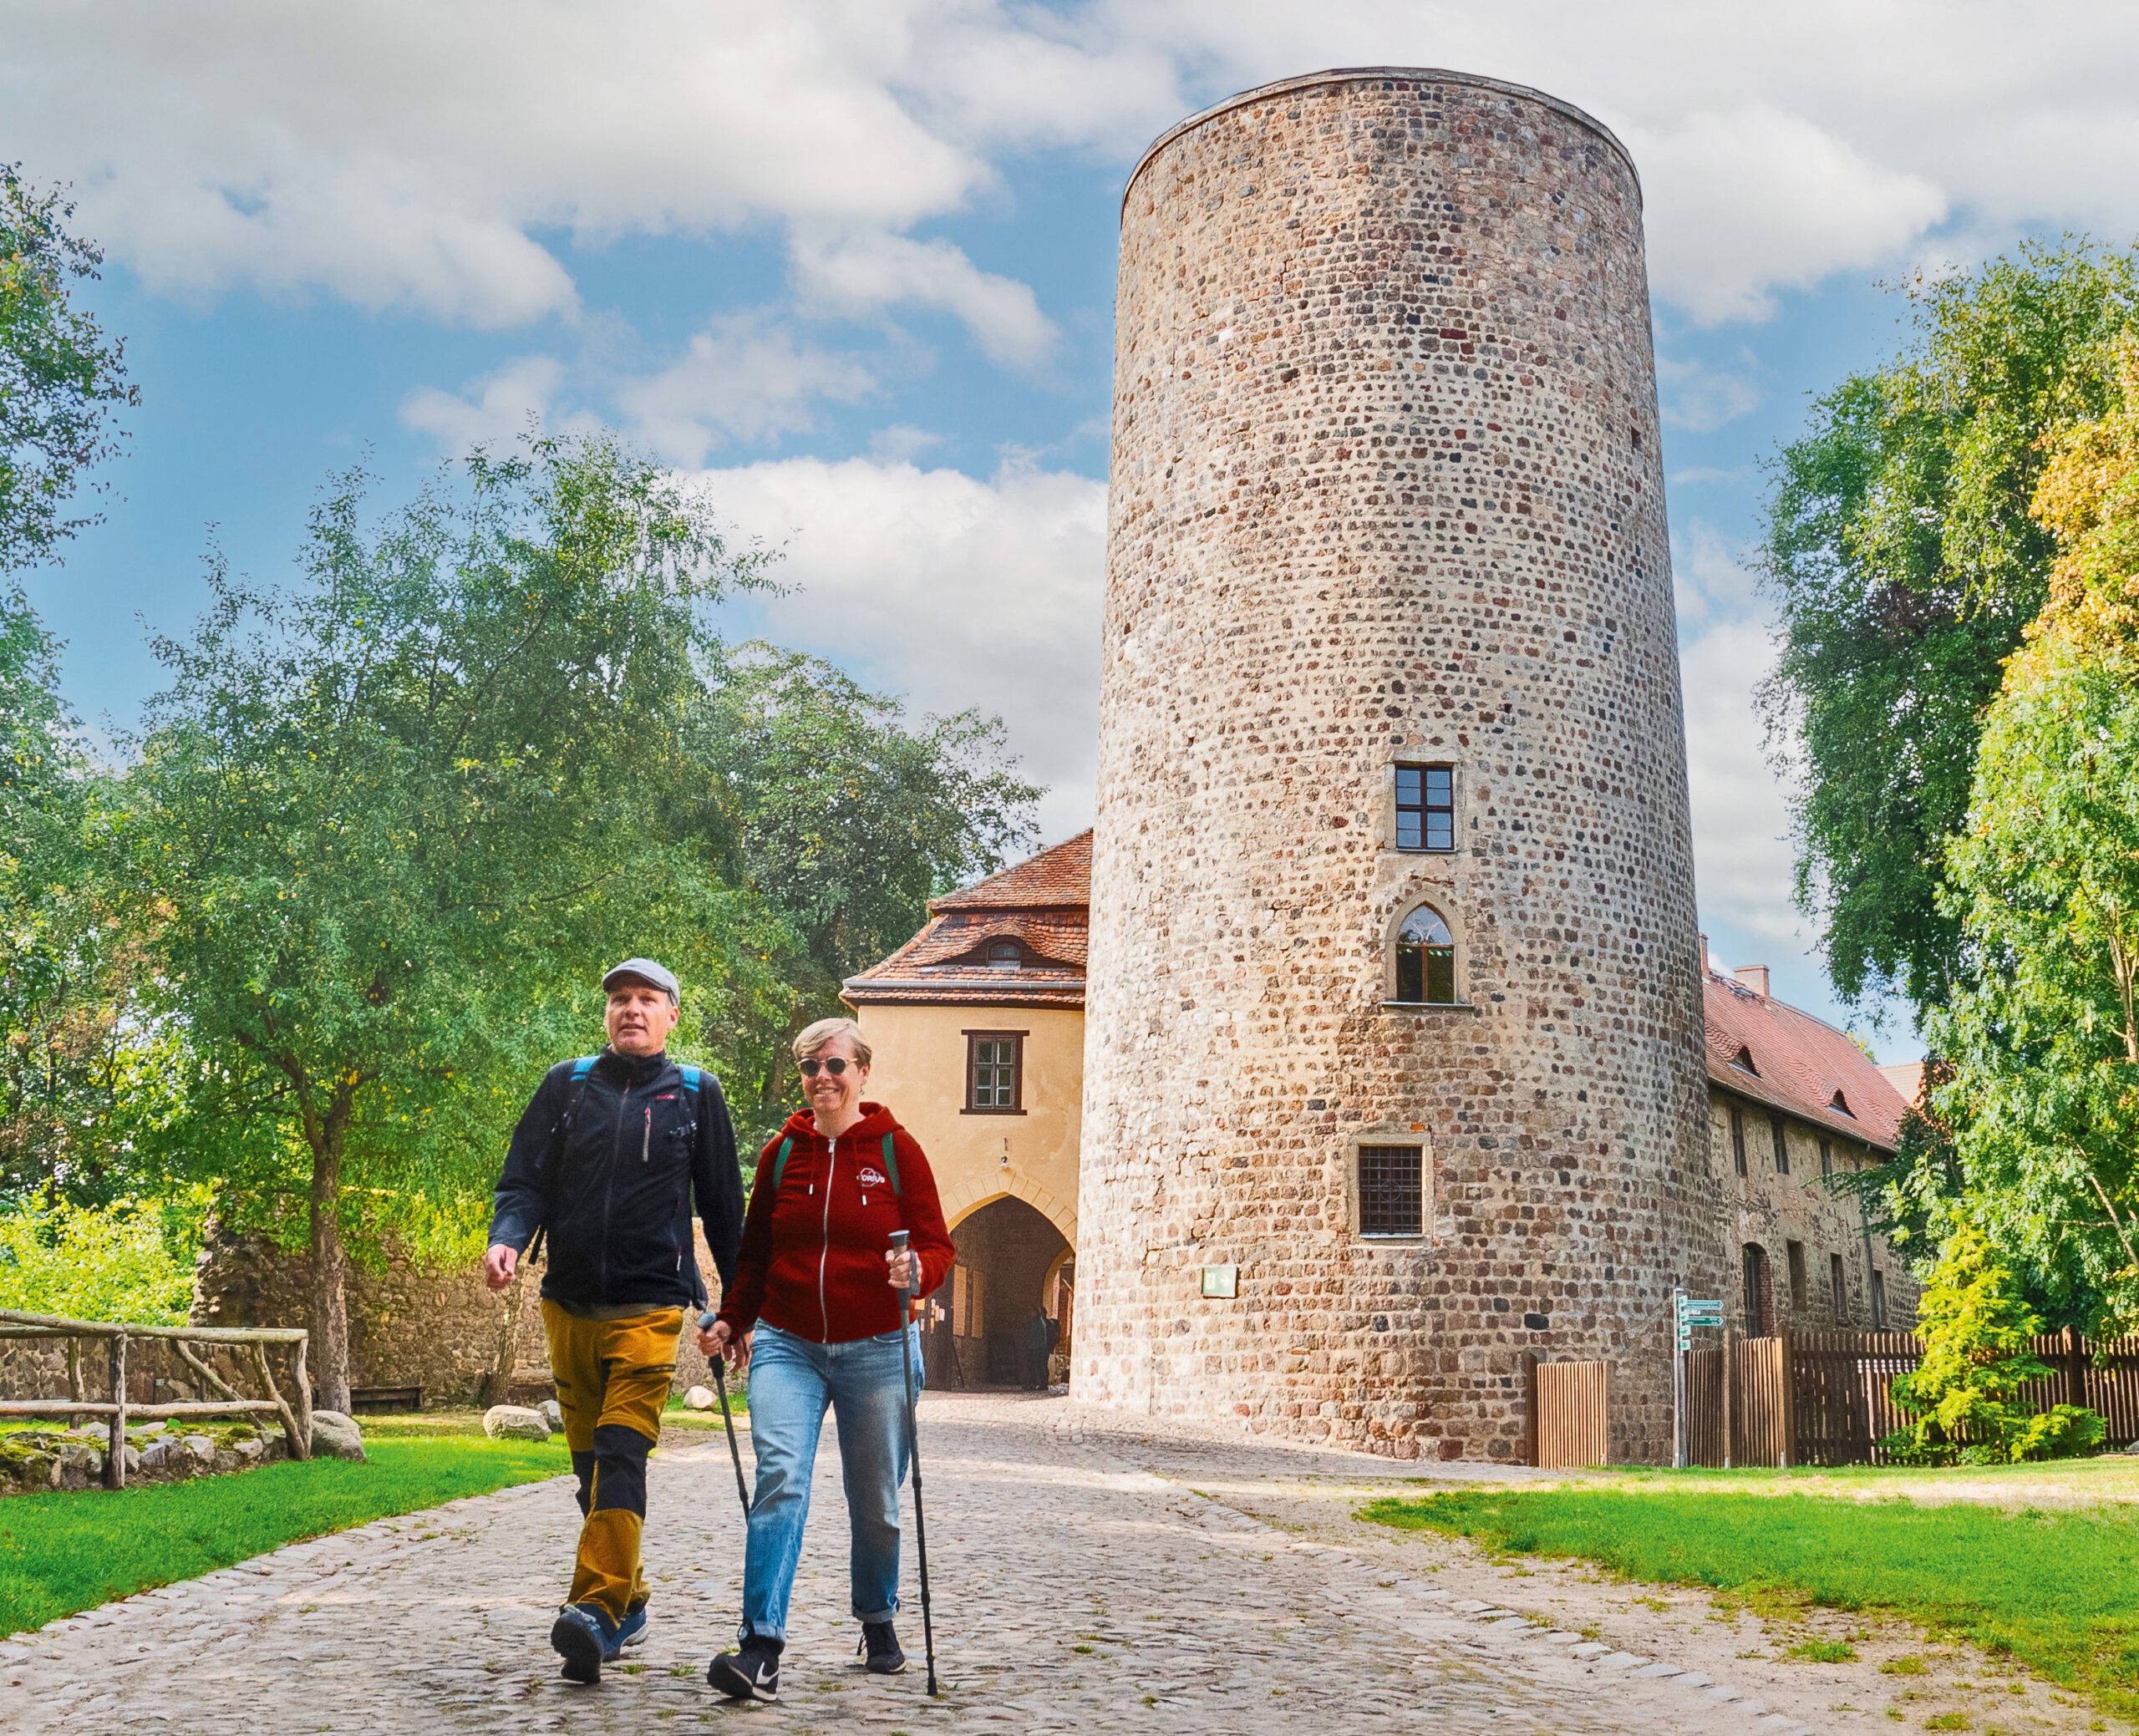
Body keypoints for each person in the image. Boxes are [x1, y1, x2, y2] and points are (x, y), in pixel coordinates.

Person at [484, 957, 744, 1686]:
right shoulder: (568, 1086)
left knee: (622, 1452)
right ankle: (629, 1601)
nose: (632, 1009)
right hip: (567, 1302)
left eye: (647, 999)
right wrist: (507, 1236)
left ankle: (594, 1612)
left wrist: (739, 1308)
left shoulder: (696, 1094)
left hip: (651, 1305)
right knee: (590, 1471)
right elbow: (524, 1179)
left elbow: (726, 1210)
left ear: (672, 1016)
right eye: (621, 1000)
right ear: (608, 1014)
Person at [698, 1016, 954, 1703]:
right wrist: (731, 1320)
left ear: (862, 1072)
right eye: (812, 1066)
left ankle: (876, 1616)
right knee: (781, 1479)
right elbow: (755, 1256)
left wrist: (916, 1271)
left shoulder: (897, 1152)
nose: (823, 1078)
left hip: (878, 1347)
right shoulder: (784, 1153)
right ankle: (761, 1648)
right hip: (789, 1343)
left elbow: (938, 1245)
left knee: (875, 1500)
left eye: (836, 1065)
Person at [1023, 1304, 1051, 1390]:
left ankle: (1033, 1383)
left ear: (1035, 1312)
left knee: (1032, 1366)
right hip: (1041, 1347)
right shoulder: (1042, 1322)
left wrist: (1027, 1344)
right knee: (1041, 1366)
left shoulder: (1035, 1322)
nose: (1030, 1313)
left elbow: (1032, 1335)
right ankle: (1043, 1383)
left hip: (1034, 1347)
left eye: (1031, 1311)